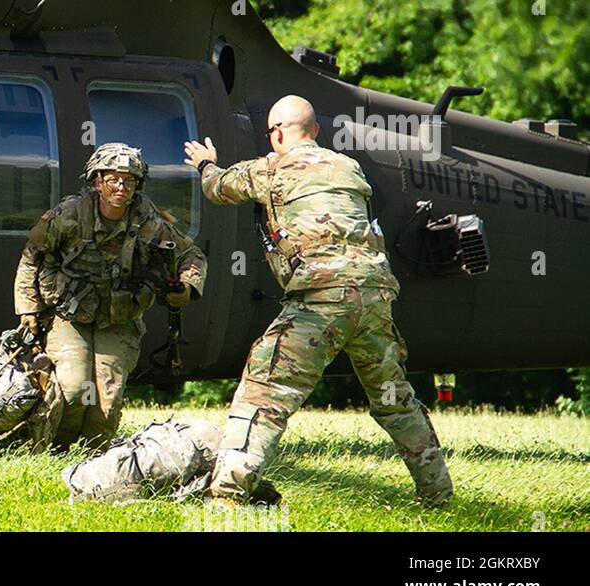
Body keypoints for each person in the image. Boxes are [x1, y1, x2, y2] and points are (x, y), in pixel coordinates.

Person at [183, 94, 453, 507]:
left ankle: (227, 496)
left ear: (275, 134)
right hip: (374, 295)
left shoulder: (271, 168)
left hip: (321, 297)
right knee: (394, 399)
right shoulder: (349, 167)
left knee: (265, 391)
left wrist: (206, 162)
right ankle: (438, 494)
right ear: (316, 131)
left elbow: (218, 188)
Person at [14, 143, 206, 451]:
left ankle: (96, 457)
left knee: (107, 398)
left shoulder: (149, 222)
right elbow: (31, 258)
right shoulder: (69, 215)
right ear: (97, 181)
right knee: (74, 387)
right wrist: (28, 310)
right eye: (113, 179)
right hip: (69, 315)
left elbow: (191, 255)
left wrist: (186, 287)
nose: (121, 187)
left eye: (129, 181)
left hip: (118, 318)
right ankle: (55, 448)